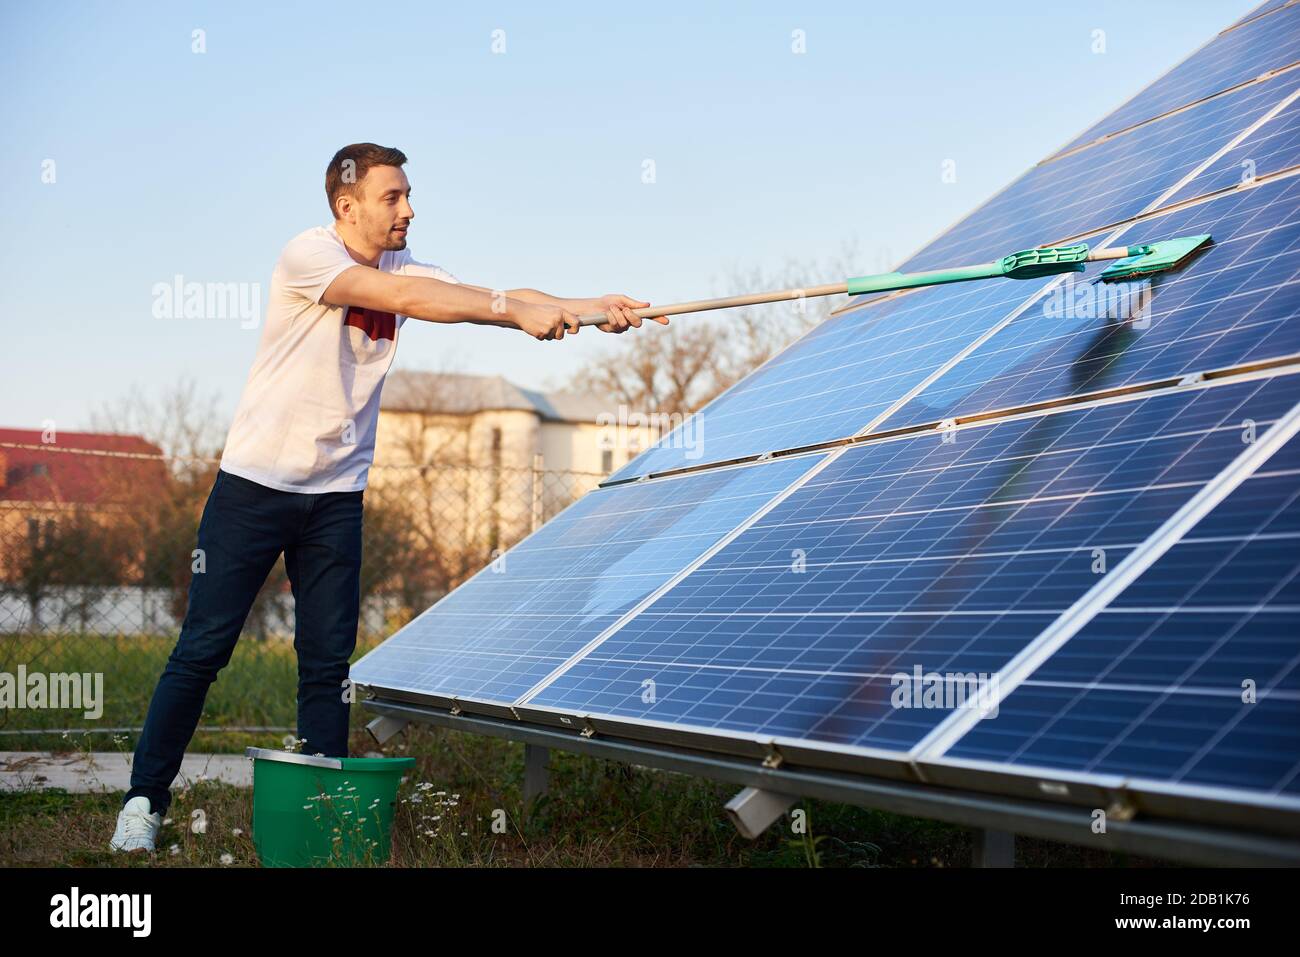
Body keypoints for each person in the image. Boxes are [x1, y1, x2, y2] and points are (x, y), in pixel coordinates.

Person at [110, 142, 665, 852]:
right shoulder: (307, 257)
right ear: (348, 206)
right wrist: (514, 313)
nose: (409, 209)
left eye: (408, 195)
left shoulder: (408, 265)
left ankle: (316, 815)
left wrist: (587, 308)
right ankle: (142, 804)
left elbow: (492, 297)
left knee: (327, 661)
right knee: (203, 649)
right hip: (254, 487)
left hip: (336, 496)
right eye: (393, 197)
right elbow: (414, 300)